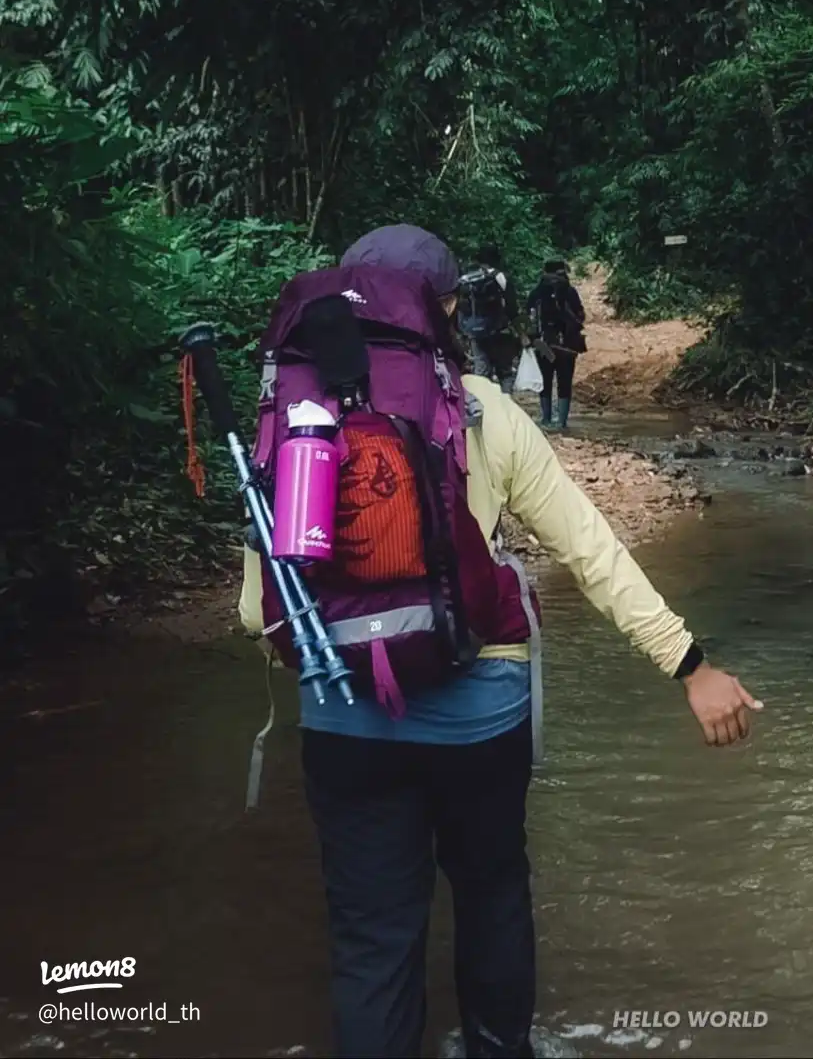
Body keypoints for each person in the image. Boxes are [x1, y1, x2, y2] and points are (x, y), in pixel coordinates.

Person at [238, 226, 763, 1059]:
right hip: (477, 713)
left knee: (373, 937)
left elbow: (254, 610)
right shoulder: (480, 407)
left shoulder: (296, 412)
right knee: (489, 895)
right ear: (443, 308)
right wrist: (689, 664)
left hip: (344, 718)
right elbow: (589, 550)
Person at [526, 260, 586, 430]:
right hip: (567, 344)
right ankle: (562, 422)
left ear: (544, 271)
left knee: (544, 380)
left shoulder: (537, 292)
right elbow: (580, 315)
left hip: (543, 343)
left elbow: (528, 317)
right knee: (565, 381)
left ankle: (545, 419)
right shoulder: (570, 291)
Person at [457, 243, 522, 393]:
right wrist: (519, 330)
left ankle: (483, 411)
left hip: (475, 333)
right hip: (500, 332)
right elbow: (512, 307)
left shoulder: (467, 278)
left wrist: (462, 331)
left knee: (481, 373)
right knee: (505, 372)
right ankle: (505, 409)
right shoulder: (499, 277)